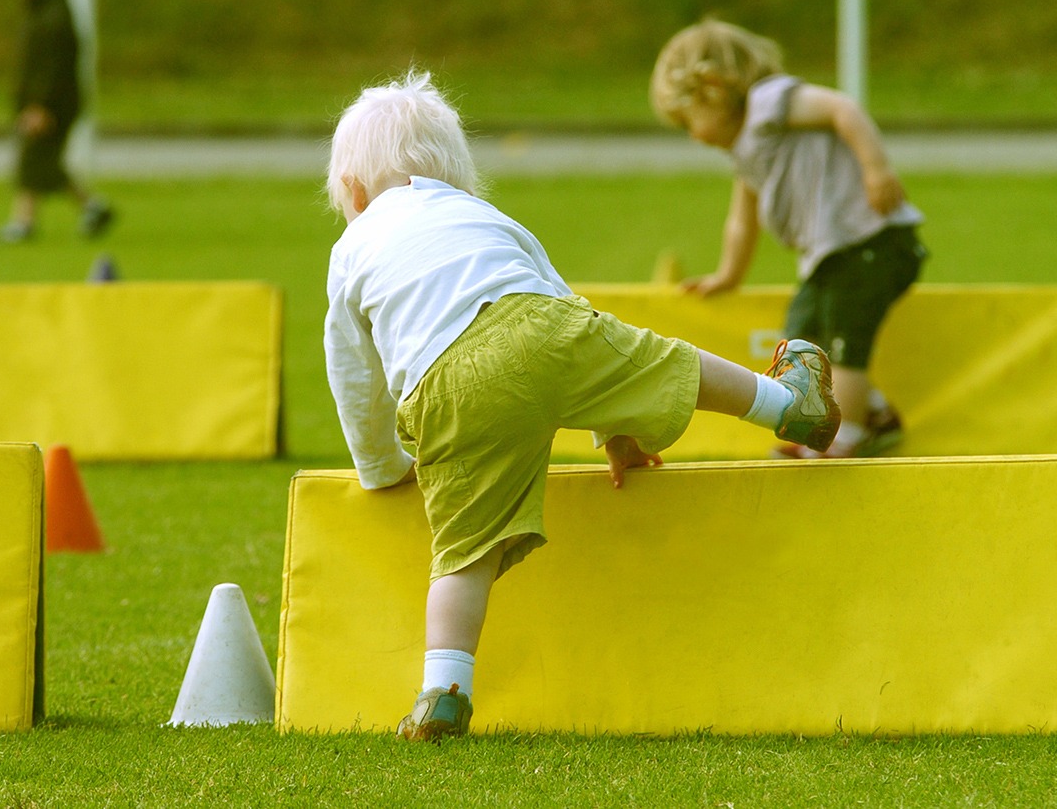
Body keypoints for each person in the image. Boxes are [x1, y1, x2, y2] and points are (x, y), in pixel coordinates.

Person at [323, 71, 841, 741]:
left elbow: (354, 376)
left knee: (462, 554)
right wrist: (614, 429)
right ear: (456, 176)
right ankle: (784, 403)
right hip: (546, 327)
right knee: (667, 362)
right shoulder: (484, 216)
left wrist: (381, 466)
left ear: (351, 191)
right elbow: (572, 311)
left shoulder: (351, 249)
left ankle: (443, 689)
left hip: (445, 384)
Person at [650, 19, 928, 458]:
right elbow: (742, 220)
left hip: (871, 241)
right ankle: (872, 413)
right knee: (803, 337)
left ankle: (848, 435)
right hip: (830, 256)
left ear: (714, 90)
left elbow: (843, 110)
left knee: (843, 335)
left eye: (688, 120)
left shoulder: (770, 101)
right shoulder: (746, 152)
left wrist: (877, 169)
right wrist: (729, 275)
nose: (693, 136)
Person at [0, 0, 114, 243]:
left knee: (36, 162)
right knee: (39, 161)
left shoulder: (54, 15)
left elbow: (53, 67)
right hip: (42, 104)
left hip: (51, 106)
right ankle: (85, 207)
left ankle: (28, 220)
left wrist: (40, 105)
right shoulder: (37, 10)